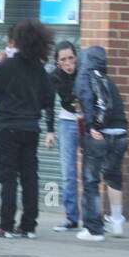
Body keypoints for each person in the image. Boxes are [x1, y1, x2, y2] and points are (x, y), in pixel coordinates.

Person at [0, 19, 56, 239]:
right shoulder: (39, 70)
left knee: (8, 177)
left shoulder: (8, 65)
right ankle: (28, 224)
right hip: (30, 128)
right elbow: (48, 99)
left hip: (7, 127)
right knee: (29, 177)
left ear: (16, 42)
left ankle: (5, 224)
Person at [75, 46, 129, 242]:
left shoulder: (85, 77)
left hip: (100, 134)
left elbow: (88, 101)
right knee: (114, 177)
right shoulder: (109, 81)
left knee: (91, 181)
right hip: (121, 134)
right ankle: (116, 221)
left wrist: (90, 126)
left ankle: (93, 229)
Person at [46, 41, 82, 231]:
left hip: (88, 121)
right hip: (67, 120)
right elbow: (49, 104)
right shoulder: (54, 76)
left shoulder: (84, 71)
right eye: (64, 60)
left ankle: (94, 218)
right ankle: (71, 218)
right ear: (58, 62)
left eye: (71, 58)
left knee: (92, 172)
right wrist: (50, 131)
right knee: (68, 172)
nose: (69, 63)